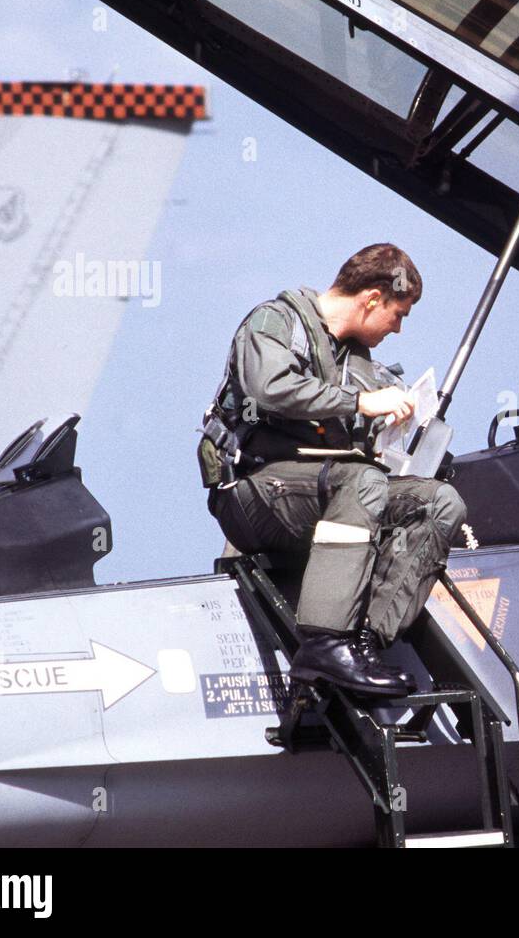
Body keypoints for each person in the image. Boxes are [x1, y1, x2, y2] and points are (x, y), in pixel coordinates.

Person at [198, 244, 465, 697]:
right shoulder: (275, 322)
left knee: (438, 502)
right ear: (373, 299)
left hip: (317, 494)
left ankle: (364, 642)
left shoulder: (356, 361)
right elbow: (268, 389)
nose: (398, 328)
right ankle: (324, 644)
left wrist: (393, 420)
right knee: (363, 482)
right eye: (398, 314)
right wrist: (361, 403)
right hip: (251, 493)